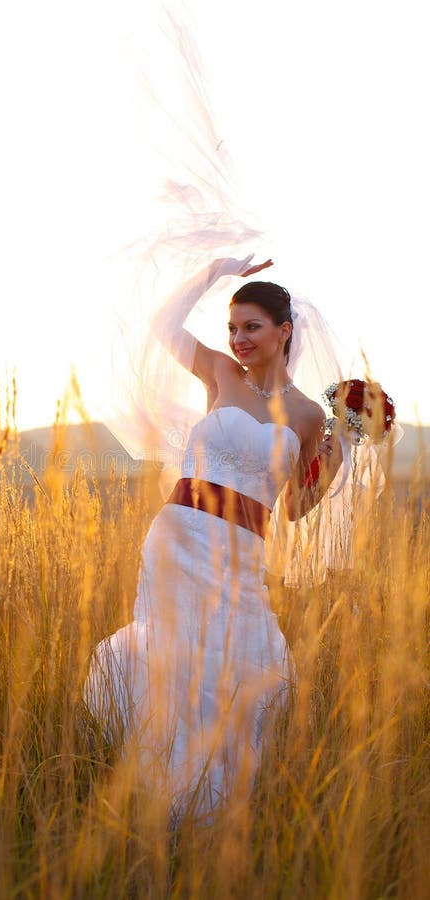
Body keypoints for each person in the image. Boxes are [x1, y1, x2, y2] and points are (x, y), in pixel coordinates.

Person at [84, 255, 344, 818]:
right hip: (179, 535)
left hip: (241, 551)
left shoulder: (305, 417)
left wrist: (334, 460)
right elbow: (163, 328)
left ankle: (211, 806)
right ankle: (157, 796)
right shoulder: (221, 375)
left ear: (284, 332)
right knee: (173, 658)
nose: (239, 338)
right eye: (232, 327)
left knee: (238, 660)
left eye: (251, 326)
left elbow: (295, 508)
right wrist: (216, 271)